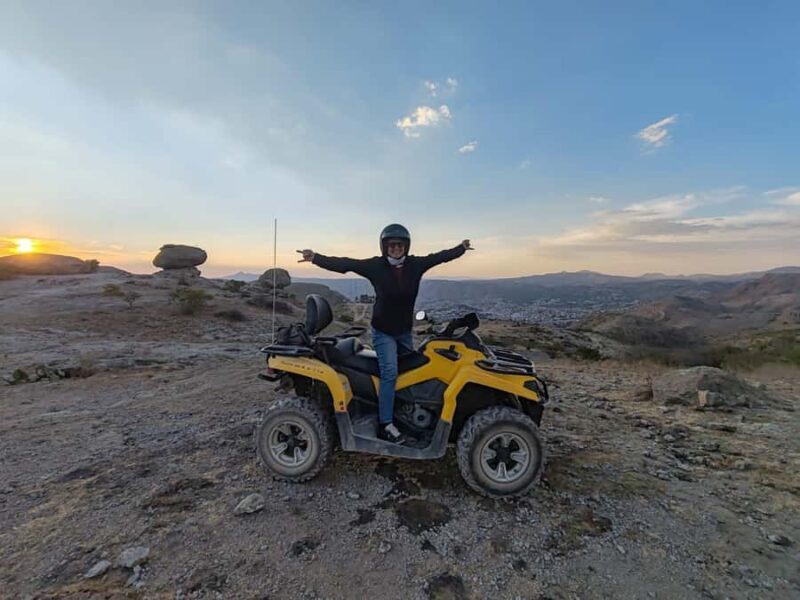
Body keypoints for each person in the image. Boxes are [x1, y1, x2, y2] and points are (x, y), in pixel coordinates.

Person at [297, 224, 472, 444]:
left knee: (412, 373)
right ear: (385, 246)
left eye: (400, 245)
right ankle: (386, 424)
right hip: (383, 332)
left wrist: (460, 249)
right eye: (392, 245)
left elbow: (439, 257)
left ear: (406, 246)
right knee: (390, 372)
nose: (396, 248)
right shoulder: (376, 266)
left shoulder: (415, 265)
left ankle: (406, 414)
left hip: (404, 331)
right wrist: (316, 258)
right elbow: (346, 264)